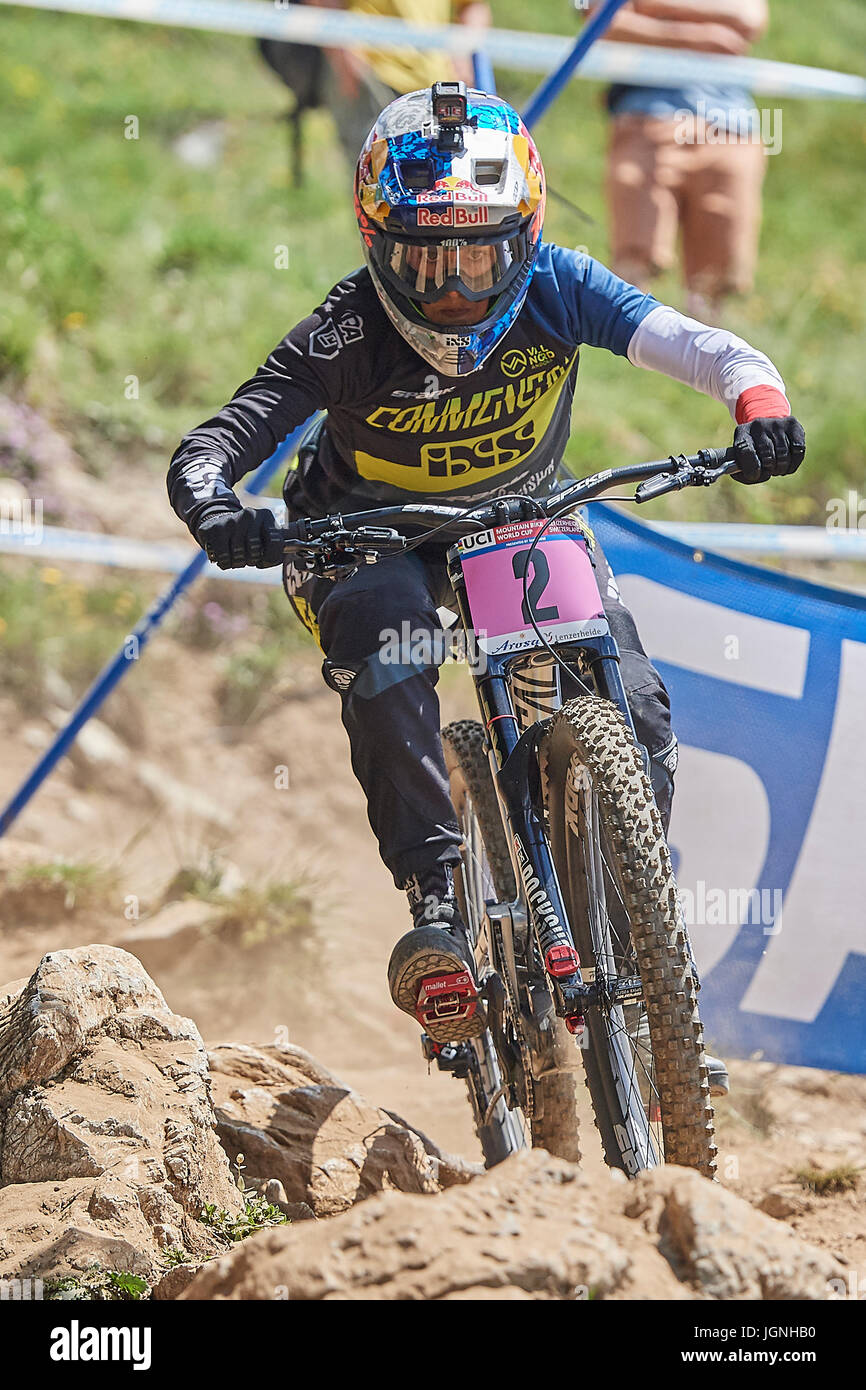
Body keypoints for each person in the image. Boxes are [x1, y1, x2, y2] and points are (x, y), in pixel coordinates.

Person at [167, 84, 804, 1069]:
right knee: (384, 640)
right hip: (361, 535)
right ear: (374, 242)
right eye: (424, 258)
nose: (454, 288)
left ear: (527, 235)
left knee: (631, 703)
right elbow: (217, 440)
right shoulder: (346, 331)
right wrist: (215, 505)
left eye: (480, 254)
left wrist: (755, 405)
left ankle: (633, 947)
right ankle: (436, 912)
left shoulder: (559, 286)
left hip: (517, 518)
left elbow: (702, 346)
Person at [587, 0, 770, 320]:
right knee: (632, 269)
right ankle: (626, 359)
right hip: (644, 120)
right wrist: (701, 36)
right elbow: (599, 18)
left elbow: (750, 17)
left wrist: (650, 11)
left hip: (731, 128)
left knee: (713, 284)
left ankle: (702, 367)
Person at [309, 0, 491, 166]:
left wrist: (464, 55)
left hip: (436, 81)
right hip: (374, 76)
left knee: (442, 180)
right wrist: (342, 54)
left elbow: (473, 7)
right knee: (374, 181)